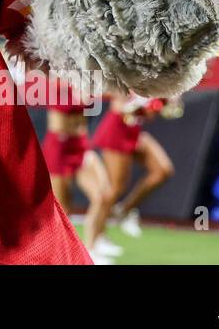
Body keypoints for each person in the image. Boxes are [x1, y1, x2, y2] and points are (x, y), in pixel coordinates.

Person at [39, 78, 116, 262]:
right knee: (62, 209)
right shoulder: (54, 78)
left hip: (80, 144)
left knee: (104, 195)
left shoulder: (85, 77)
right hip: (60, 147)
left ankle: (90, 249)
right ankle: (59, 254)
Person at [94, 91, 176, 236]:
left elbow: (150, 114)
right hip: (117, 130)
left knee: (163, 170)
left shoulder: (155, 81)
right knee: (115, 189)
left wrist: (162, 101)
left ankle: (125, 210)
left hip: (134, 131)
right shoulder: (127, 74)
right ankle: (97, 239)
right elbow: (120, 105)